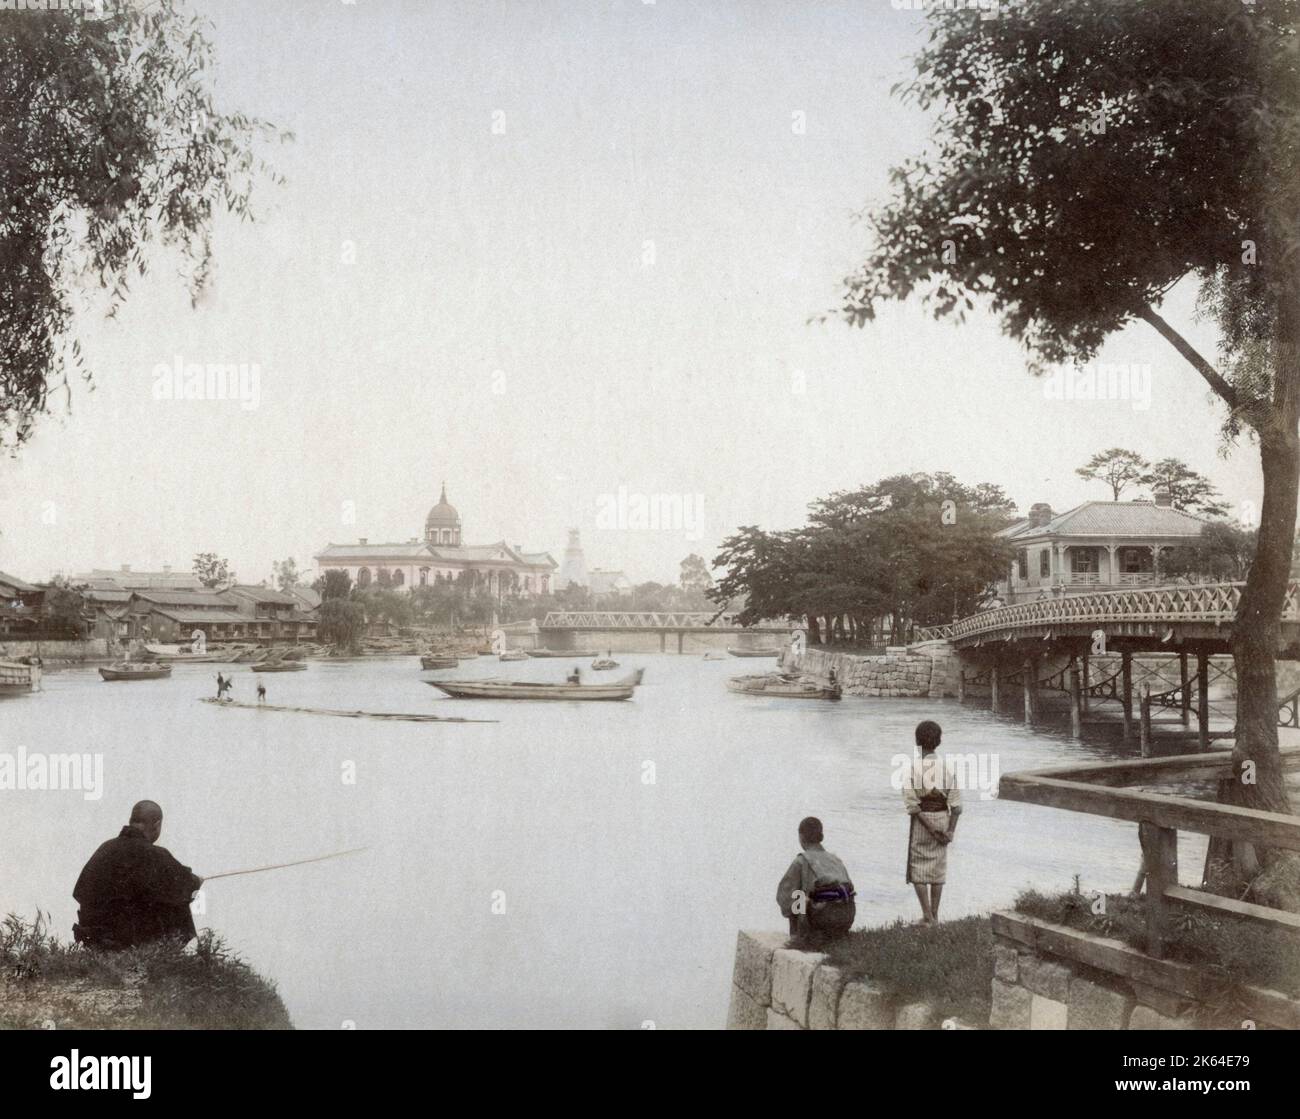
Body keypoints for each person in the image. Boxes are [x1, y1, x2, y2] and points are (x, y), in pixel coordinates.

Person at [72, 800, 203, 950]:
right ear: (157, 824)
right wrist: (196, 881)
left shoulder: (105, 848)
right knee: (177, 900)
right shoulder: (155, 854)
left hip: (94, 938)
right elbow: (185, 888)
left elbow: (80, 893)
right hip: (126, 941)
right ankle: (174, 954)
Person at [902, 720, 962, 925]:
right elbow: (957, 806)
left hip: (922, 821)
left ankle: (927, 916)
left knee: (918, 867)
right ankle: (934, 914)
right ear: (939, 741)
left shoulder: (911, 769)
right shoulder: (948, 768)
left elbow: (913, 805)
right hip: (943, 818)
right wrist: (950, 831)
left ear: (917, 742)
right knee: (937, 867)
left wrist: (929, 827)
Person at [775, 816, 856, 946]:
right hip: (846, 916)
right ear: (821, 836)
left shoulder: (801, 861)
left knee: (795, 895)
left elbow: (783, 897)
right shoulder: (836, 860)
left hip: (823, 917)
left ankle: (799, 937)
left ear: (801, 837)